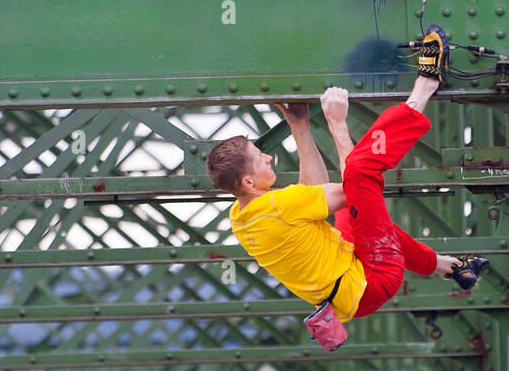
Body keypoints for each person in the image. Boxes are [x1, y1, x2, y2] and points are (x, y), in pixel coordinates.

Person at [206, 26, 488, 350]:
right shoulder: (279, 207)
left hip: (351, 285)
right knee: (360, 169)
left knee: (362, 220)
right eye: (260, 158)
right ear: (248, 182)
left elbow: (310, 193)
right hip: (373, 281)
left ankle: (452, 268)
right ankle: (426, 86)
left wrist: (300, 127)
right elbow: (352, 187)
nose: (269, 157)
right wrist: (337, 124)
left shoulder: (240, 216)